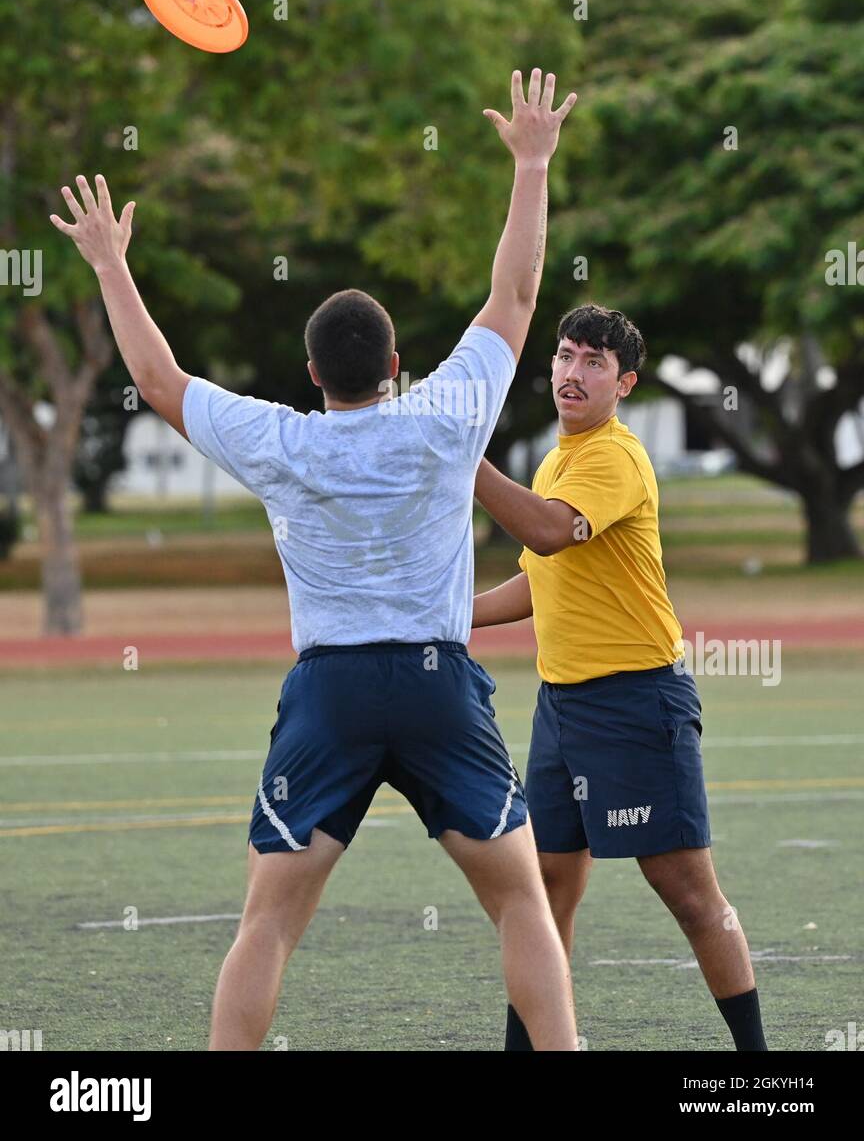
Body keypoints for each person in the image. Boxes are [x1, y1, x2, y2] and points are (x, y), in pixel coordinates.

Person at [52, 68, 580, 1052]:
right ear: (393, 368)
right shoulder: (446, 413)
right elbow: (515, 290)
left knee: (269, 921)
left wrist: (109, 263)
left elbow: (158, 379)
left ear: (311, 374)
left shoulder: (281, 441)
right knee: (520, 903)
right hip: (437, 683)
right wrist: (533, 162)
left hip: (330, 689)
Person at [472, 303, 768, 1052]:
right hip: (562, 709)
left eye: (593, 363)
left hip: (636, 702)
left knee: (689, 895)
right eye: (566, 355)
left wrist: (461, 459)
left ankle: (761, 1071)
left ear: (624, 382)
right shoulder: (556, 461)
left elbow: (543, 527)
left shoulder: (615, 457)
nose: (573, 373)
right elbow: (541, 579)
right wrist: (446, 614)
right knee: (544, 897)